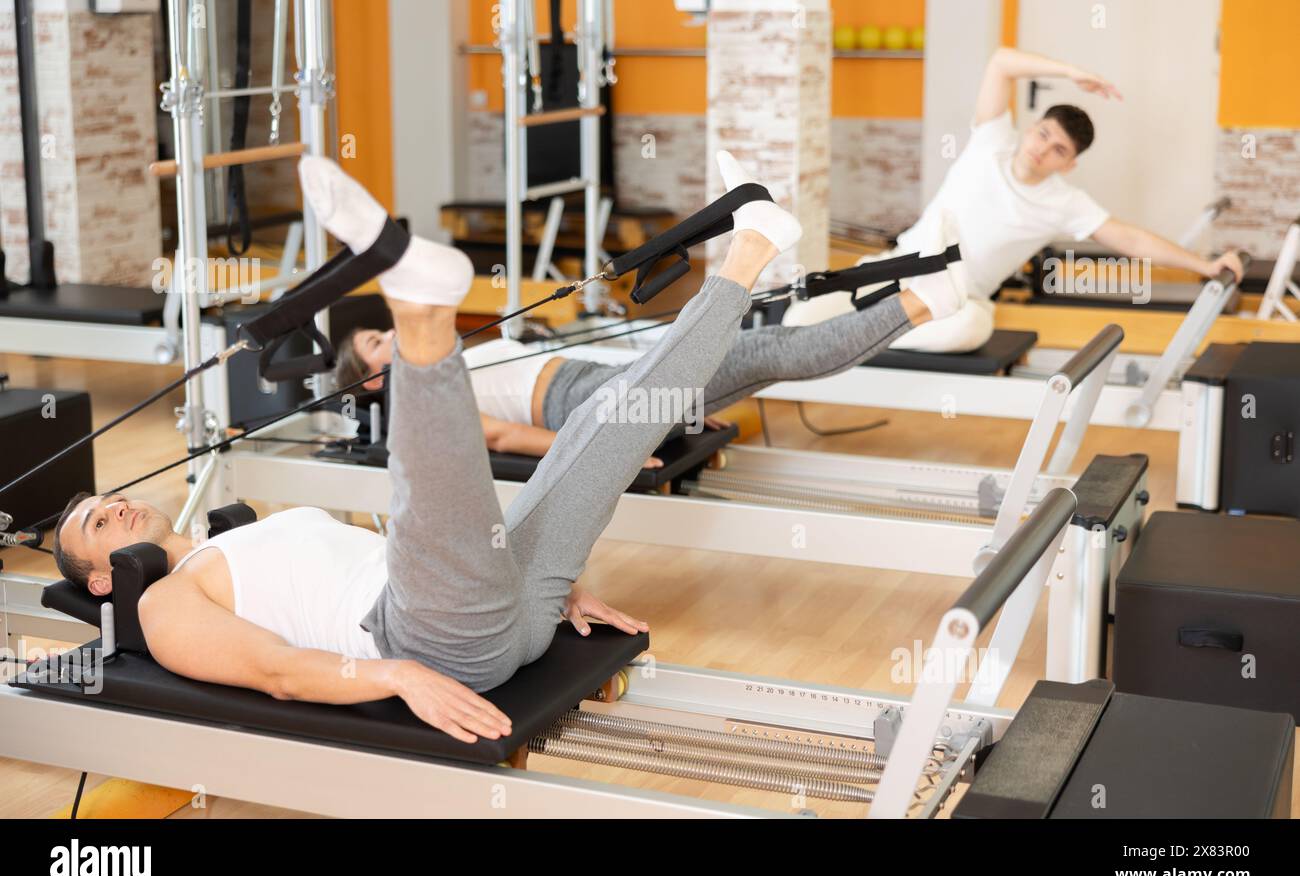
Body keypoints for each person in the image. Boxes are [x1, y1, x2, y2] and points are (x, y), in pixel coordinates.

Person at [49, 152, 965, 742]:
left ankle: (752, 248)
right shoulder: (166, 602)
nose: (115, 504)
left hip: (514, 598)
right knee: (426, 496)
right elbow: (280, 673)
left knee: (621, 415)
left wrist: (551, 580)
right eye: (96, 520)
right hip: (432, 638)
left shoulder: (227, 534)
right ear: (100, 578)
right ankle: (418, 311)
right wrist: (400, 674)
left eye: (103, 496)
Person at [331, 224, 969, 464]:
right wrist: (610, 449)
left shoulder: (441, 366)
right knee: (766, 353)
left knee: (757, 358)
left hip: (602, 391)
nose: (387, 334)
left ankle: (924, 300)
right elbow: (497, 438)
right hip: (592, 412)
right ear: (373, 380)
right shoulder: (424, 401)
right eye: (374, 343)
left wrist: (674, 408)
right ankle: (928, 302)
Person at [783, 46, 1245, 352]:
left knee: (972, 329)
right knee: (798, 320)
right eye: (1043, 134)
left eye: (1058, 149)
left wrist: (1203, 266)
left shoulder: (1065, 201)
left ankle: (866, 336)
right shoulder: (991, 141)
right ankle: (871, 330)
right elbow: (1002, 61)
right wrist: (1071, 73)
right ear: (1032, 127)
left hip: (954, 306)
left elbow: (1130, 239)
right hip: (893, 275)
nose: (1043, 149)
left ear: (1068, 164)